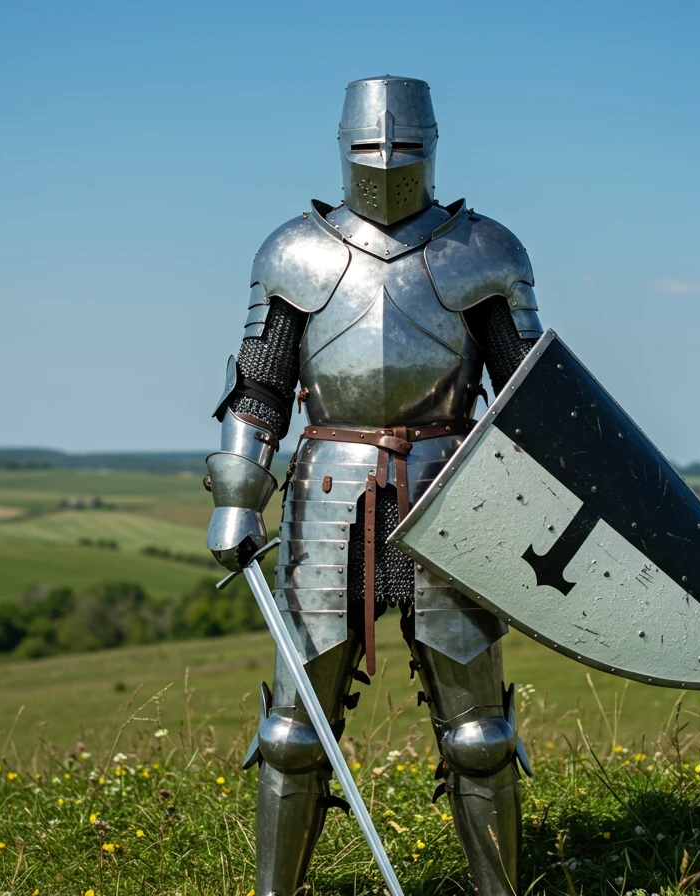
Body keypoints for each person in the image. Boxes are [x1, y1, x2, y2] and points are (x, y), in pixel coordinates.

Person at [205, 75, 542, 896]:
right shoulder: (294, 254)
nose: (386, 161)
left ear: (431, 144)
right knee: (293, 731)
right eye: (370, 145)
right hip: (327, 491)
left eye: (401, 144)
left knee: (479, 734)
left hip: (449, 491)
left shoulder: (485, 251)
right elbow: (260, 387)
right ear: (344, 145)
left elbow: (531, 396)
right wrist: (238, 494)